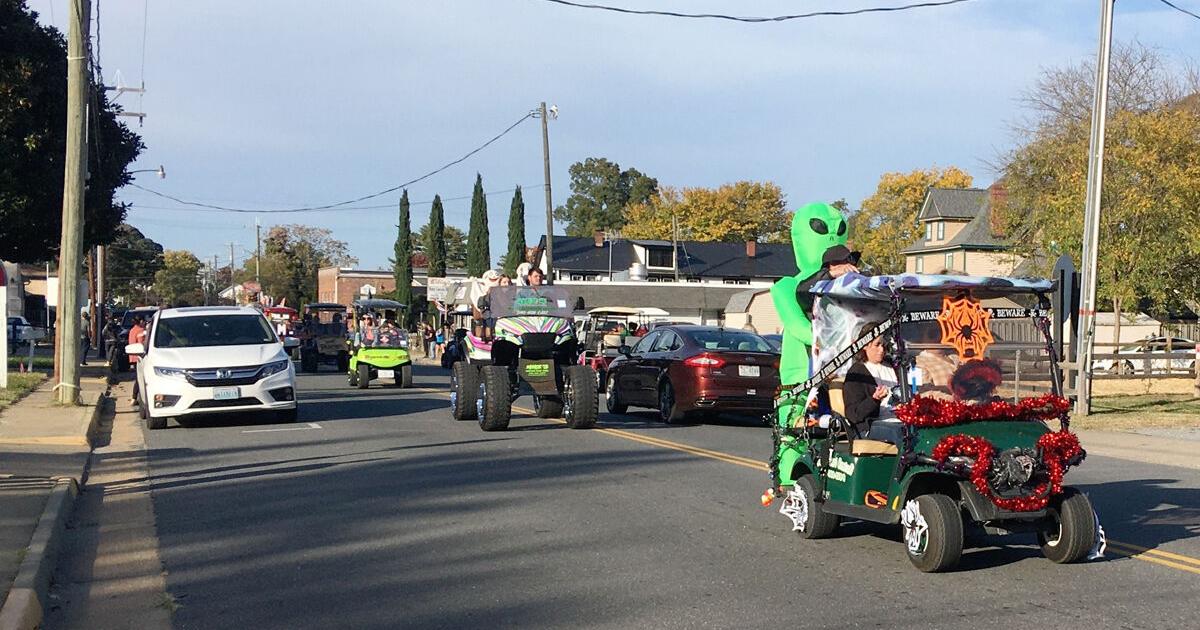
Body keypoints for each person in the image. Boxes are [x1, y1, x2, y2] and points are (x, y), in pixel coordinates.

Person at [842, 329, 903, 443]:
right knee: (902, 433)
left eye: (884, 345)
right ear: (865, 345)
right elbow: (854, 414)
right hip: (871, 425)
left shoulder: (892, 366)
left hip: (899, 419)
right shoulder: (857, 373)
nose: (882, 350)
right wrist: (875, 399)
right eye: (877, 345)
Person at [127, 316, 147, 405]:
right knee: (139, 378)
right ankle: (134, 397)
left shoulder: (132, 330)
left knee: (138, 377)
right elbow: (142, 343)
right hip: (140, 357)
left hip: (133, 356)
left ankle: (135, 397)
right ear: (141, 321)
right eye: (144, 321)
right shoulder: (140, 331)